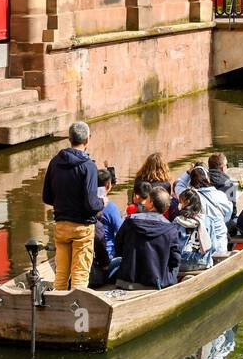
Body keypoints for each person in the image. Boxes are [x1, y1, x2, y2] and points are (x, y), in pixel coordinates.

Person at [41, 122, 104, 291]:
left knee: (61, 273)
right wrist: (102, 202)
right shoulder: (88, 166)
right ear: (87, 140)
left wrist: (64, 203)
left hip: (61, 226)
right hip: (82, 227)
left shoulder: (54, 162)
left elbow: (46, 197)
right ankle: (76, 309)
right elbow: (91, 203)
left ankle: (57, 307)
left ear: (69, 139)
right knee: (80, 275)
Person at [114, 185, 181, 289]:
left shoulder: (130, 221)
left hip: (127, 281)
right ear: (166, 207)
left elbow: (118, 246)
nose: (144, 202)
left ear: (151, 204)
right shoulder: (171, 230)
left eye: (148, 199)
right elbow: (175, 260)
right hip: (157, 283)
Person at [189, 165, 232, 256]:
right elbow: (228, 215)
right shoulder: (221, 195)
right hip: (220, 244)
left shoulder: (191, 197)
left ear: (191, 181)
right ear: (208, 178)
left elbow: (179, 187)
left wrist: (187, 174)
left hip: (201, 248)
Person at [171, 187, 214, 270]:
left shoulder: (178, 221)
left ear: (187, 202)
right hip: (204, 262)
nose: (179, 204)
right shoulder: (208, 220)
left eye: (180, 202)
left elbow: (174, 246)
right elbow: (213, 246)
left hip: (182, 262)